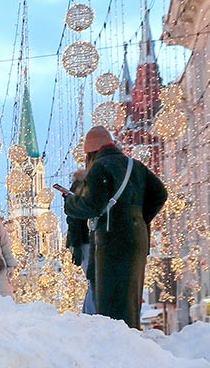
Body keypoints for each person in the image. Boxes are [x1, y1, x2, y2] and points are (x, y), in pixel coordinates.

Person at [62, 127, 167, 328]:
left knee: (109, 299)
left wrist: (70, 202)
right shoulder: (135, 166)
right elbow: (160, 194)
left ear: (91, 152)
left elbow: (92, 206)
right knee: (130, 294)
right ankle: (131, 339)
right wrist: (137, 218)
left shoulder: (100, 168)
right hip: (137, 238)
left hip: (111, 241)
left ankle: (115, 347)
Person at [64, 168, 97, 315]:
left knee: (93, 280)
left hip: (83, 241)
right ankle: (91, 313)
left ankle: (89, 313)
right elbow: (75, 222)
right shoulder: (86, 190)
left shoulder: (77, 194)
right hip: (86, 241)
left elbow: (72, 220)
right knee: (94, 280)